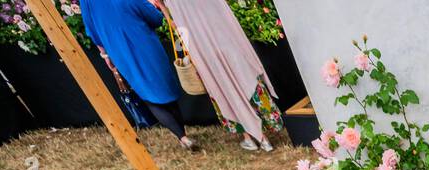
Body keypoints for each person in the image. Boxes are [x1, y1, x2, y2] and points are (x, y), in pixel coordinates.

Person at [161, 0, 283, 151]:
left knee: (225, 90)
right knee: (244, 81)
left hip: (204, 52)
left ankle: (249, 138)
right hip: (227, 41)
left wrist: (163, 8)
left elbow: (178, 28)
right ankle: (264, 139)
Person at [82, 0, 194, 150]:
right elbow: (154, 18)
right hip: (146, 44)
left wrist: (105, 55)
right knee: (165, 89)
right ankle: (183, 136)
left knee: (146, 93)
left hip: (118, 51)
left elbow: (92, 29)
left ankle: (182, 137)